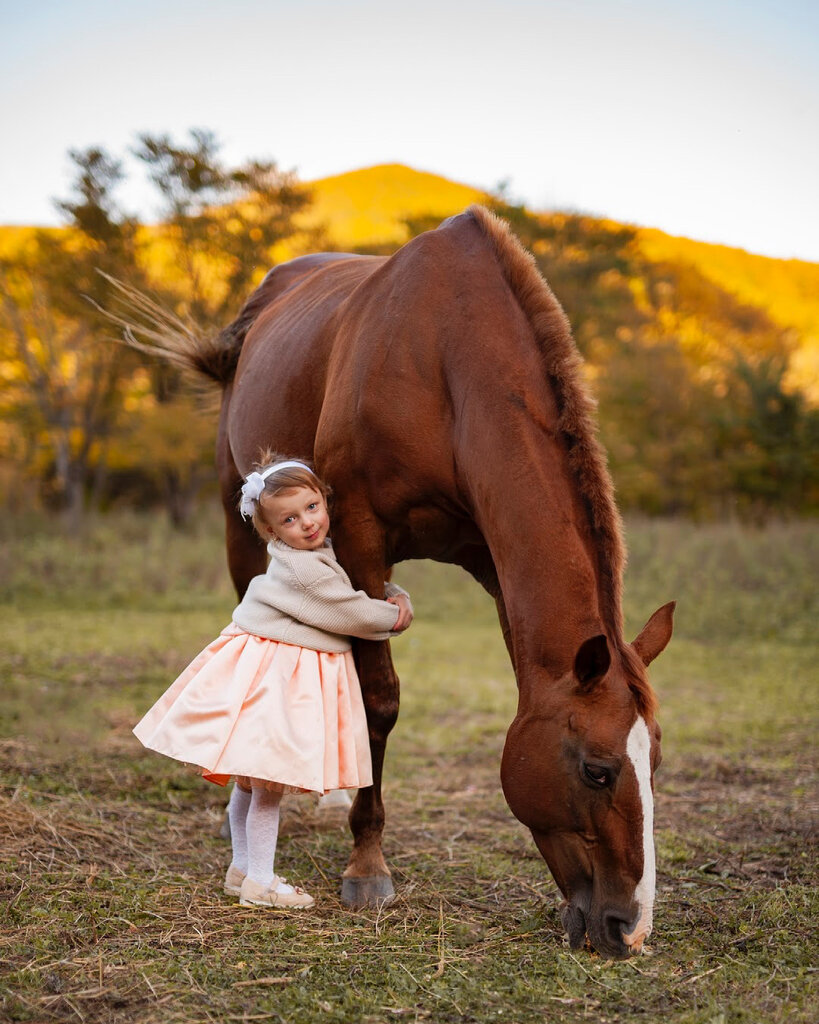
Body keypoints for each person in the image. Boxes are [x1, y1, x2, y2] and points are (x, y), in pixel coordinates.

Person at [133, 453, 413, 909]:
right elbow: (349, 611)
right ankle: (260, 879)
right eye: (289, 518)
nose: (306, 523)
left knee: (250, 780)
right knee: (267, 783)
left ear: (324, 500)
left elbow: (349, 584)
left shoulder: (309, 553)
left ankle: (241, 868)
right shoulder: (302, 569)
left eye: (312, 507)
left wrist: (390, 589)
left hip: (270, 665)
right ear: (271, 531)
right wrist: (395, 615)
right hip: (280, 676)